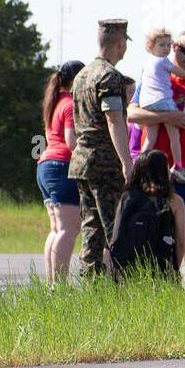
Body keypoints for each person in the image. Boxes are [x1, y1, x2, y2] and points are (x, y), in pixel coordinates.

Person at [128, 30, 185, 282]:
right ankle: (152, 280)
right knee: (152, 222)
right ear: (173, 46)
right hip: (154, 166)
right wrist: (169, 117)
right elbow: (132, 114)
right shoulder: (154, 72)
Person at [68, 20, 136, 278]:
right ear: (120, 44)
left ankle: (91, 284)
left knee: (91, 228)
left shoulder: (81, 75)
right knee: (115, 229)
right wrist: (126, 162)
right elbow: (114, 119)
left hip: (82, 164)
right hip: (105, 165)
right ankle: (123, 284)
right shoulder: (109, 76)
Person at [37, 60, 85, 284]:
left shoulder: (54, 102)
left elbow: (50, 139)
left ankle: (52, 284)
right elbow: (71, 141)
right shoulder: (70, 104)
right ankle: (59, 285)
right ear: (76, 80)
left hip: (46, 166)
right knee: (69, 228)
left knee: (56, 229)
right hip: (62, 166)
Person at [109, 150, 185, 280]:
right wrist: (176, 270)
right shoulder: (174, 201)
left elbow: (115, 237)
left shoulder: (126, 198)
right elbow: (180, 241)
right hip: (161, 268)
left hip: (128, 268)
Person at [136, 28, 185, 184]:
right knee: (174, 135)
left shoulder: (148, 65)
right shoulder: (163, 63)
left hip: (149, 102)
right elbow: (130, 114)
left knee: (150, 139)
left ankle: (139, 165)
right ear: (176, 47)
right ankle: (178, 166)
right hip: (163, 100)